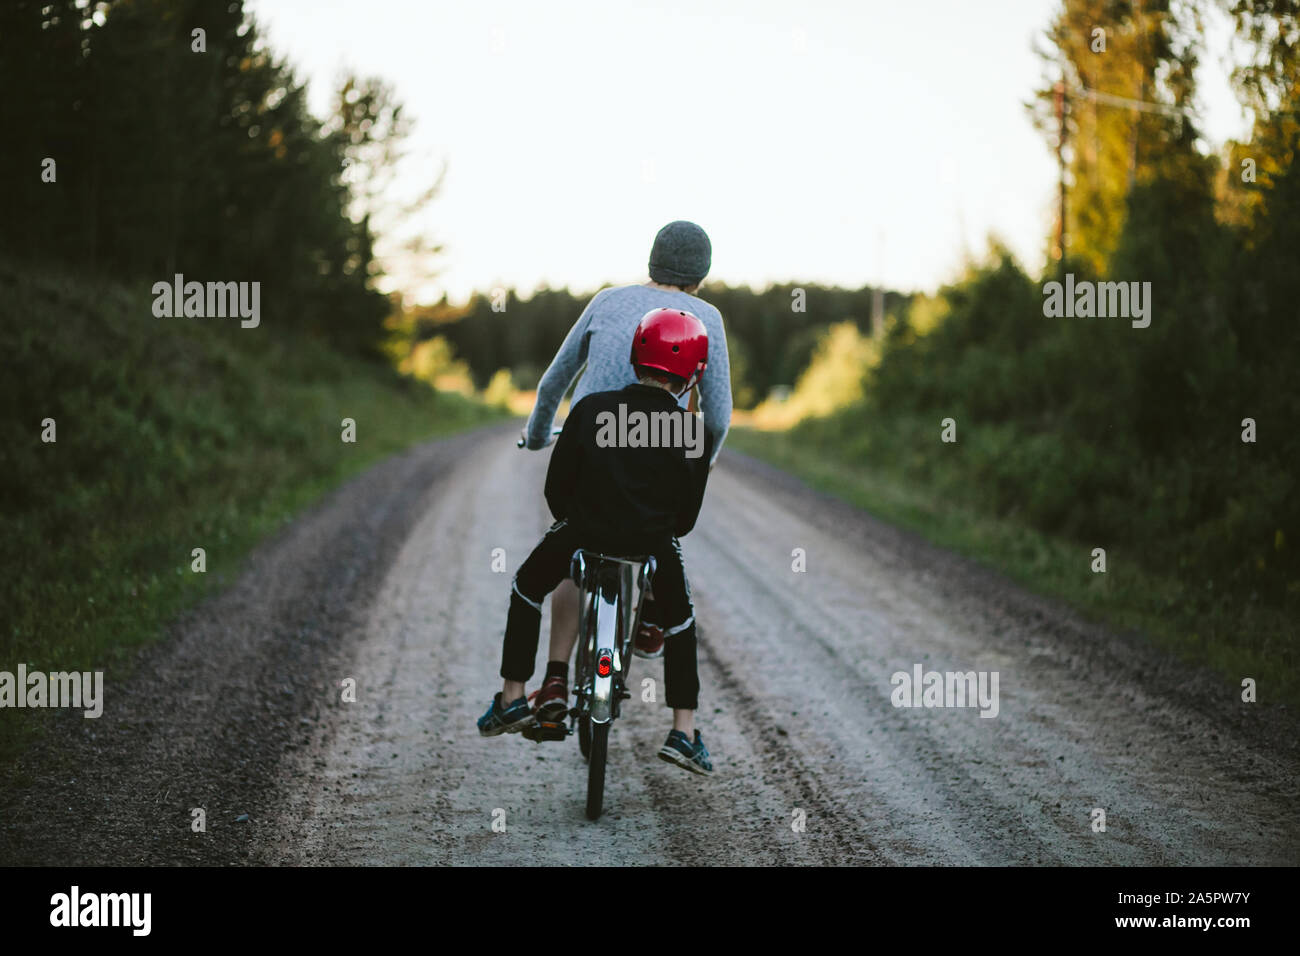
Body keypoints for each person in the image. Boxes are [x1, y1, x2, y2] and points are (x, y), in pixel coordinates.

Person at [517, 220, 732, 740]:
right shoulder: (706, 317)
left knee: (572, 548)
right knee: (661, 530)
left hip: (592, 458)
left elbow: (554, 382)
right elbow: (718, 415)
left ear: (652, 260)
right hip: (658, 459)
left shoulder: (607, 301)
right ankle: (654, 612)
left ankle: (552, 681)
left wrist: (539, 434)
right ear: (701, 273)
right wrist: (698, 460)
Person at [480, 308, 716, 774]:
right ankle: (684, 731)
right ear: (695, 370)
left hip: (584, 532)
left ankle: (511, 697)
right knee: (681, 623)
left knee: (528, 588)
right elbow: (684, 520)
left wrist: (577, 522)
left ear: (635, 355)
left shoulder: (591, 409)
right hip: (653, 545)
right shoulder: (692, 431)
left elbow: (556, 491)